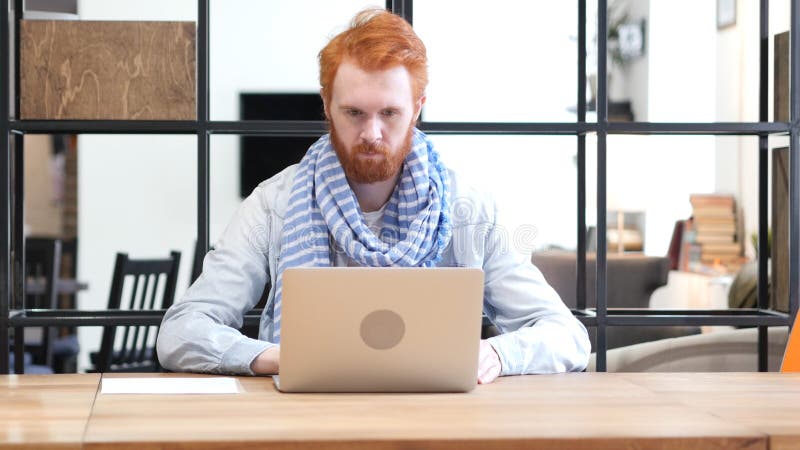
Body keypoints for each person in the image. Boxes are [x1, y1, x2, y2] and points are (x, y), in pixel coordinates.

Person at [157, 8, 590, 383]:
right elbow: (181, 332)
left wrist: (495, 354)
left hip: (443, 427)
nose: (372, 133)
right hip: (303, 423)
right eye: (354, 113)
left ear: (418, 107)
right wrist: (279, 359)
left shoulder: (469, 210)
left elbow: (565, 335)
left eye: (390, 113)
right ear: (326, 104)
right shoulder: (273, 204)